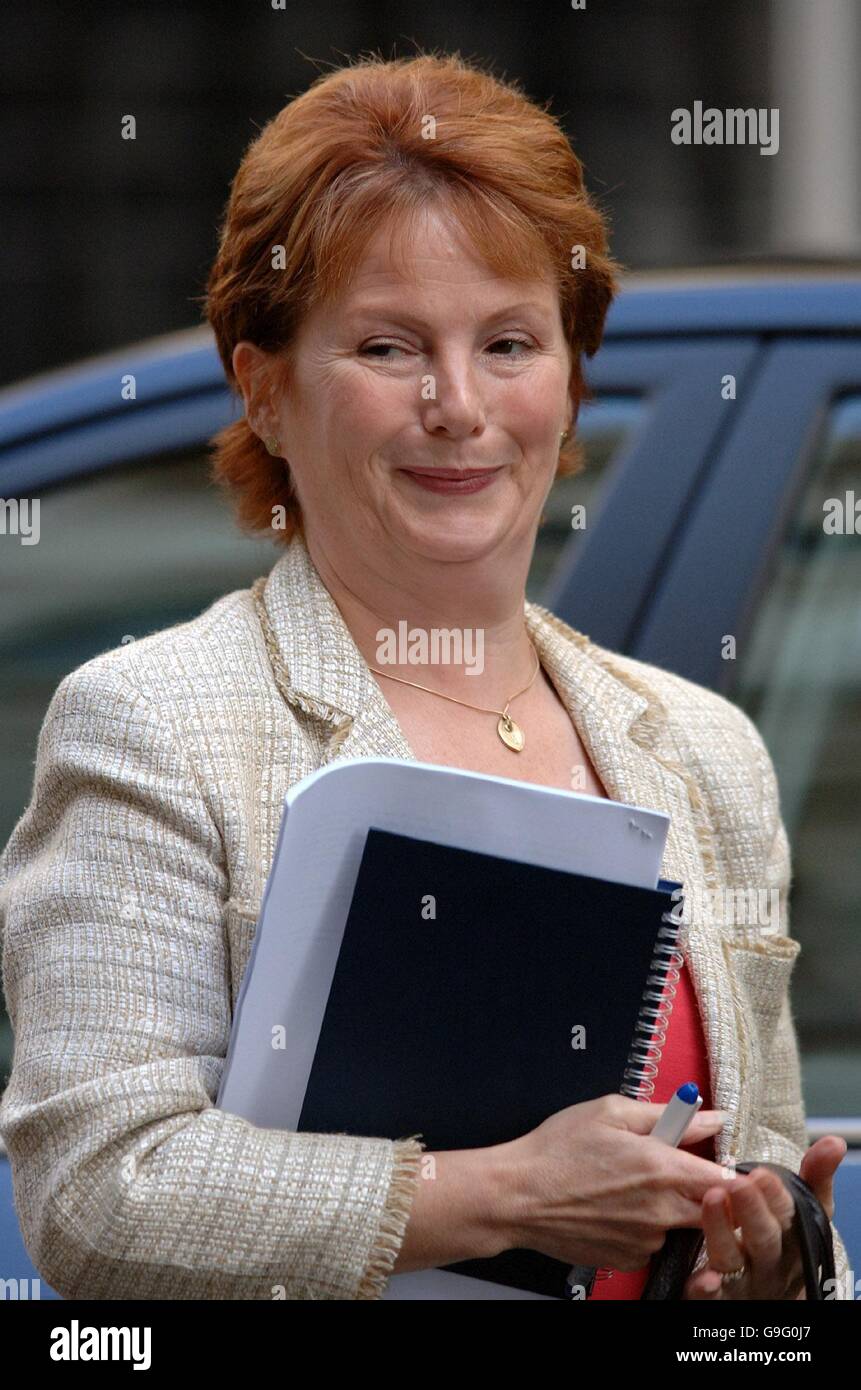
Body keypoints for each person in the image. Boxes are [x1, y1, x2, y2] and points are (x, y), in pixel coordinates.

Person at [0, 51, 850, 1301]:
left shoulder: (703, 745)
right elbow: (98, 1193)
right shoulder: (154, 723)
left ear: (570, 387)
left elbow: (752, 1188)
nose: (459, 404)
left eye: (509, 341)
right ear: (267, 388)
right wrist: (499, 1197)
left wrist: (769, 1269)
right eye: (390, 348)